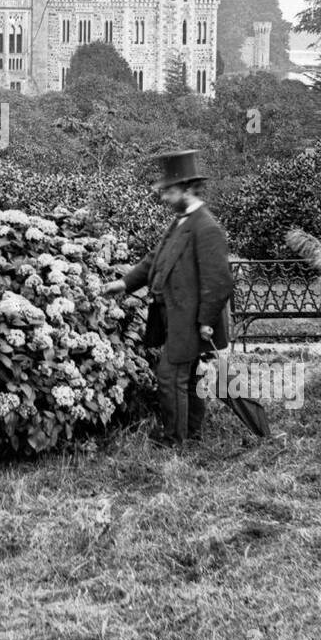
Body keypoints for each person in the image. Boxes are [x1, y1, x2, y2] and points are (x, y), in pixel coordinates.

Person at [102, 149, 233, 448]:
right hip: (174, 316)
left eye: (169, 191)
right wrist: (123, 284)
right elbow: (154, 260)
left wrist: (205, 324)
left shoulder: (206, 227)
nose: (164, 197)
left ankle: (174, 440)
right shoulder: (181, 222)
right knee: (187, 378)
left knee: (170, 377)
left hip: (193, 320)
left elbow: (219, 282)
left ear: (188, 189)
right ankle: (191, 434)